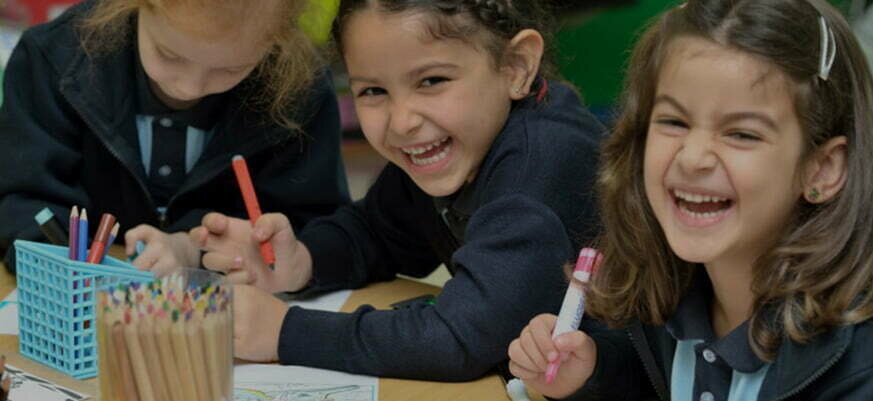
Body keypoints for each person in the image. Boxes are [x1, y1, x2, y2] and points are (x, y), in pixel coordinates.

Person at [191, 0, 605, 381]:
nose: (402, 121)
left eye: (432, 80)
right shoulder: (458, 143)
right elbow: (375, 230)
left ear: (516, 67)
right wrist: (301, 259)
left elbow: (459, 340)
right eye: (373, 91)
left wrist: (284, 332)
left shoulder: (539, 168)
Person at [507, 0, 873, 400]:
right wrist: (591, 375)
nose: (693, 157)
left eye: (742, 134)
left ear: (822, 169)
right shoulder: (669, 287)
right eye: (674, 122)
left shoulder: (859, 368)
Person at [0, 0, 350, 275]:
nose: (189, 87)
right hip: (79, 292)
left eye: (231, 68)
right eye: (169, 56)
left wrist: (195, 249)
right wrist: (66, 266)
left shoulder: (299, 87)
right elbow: (22, 202)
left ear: (276, 42)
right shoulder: (53, 59)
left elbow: (313, 224)